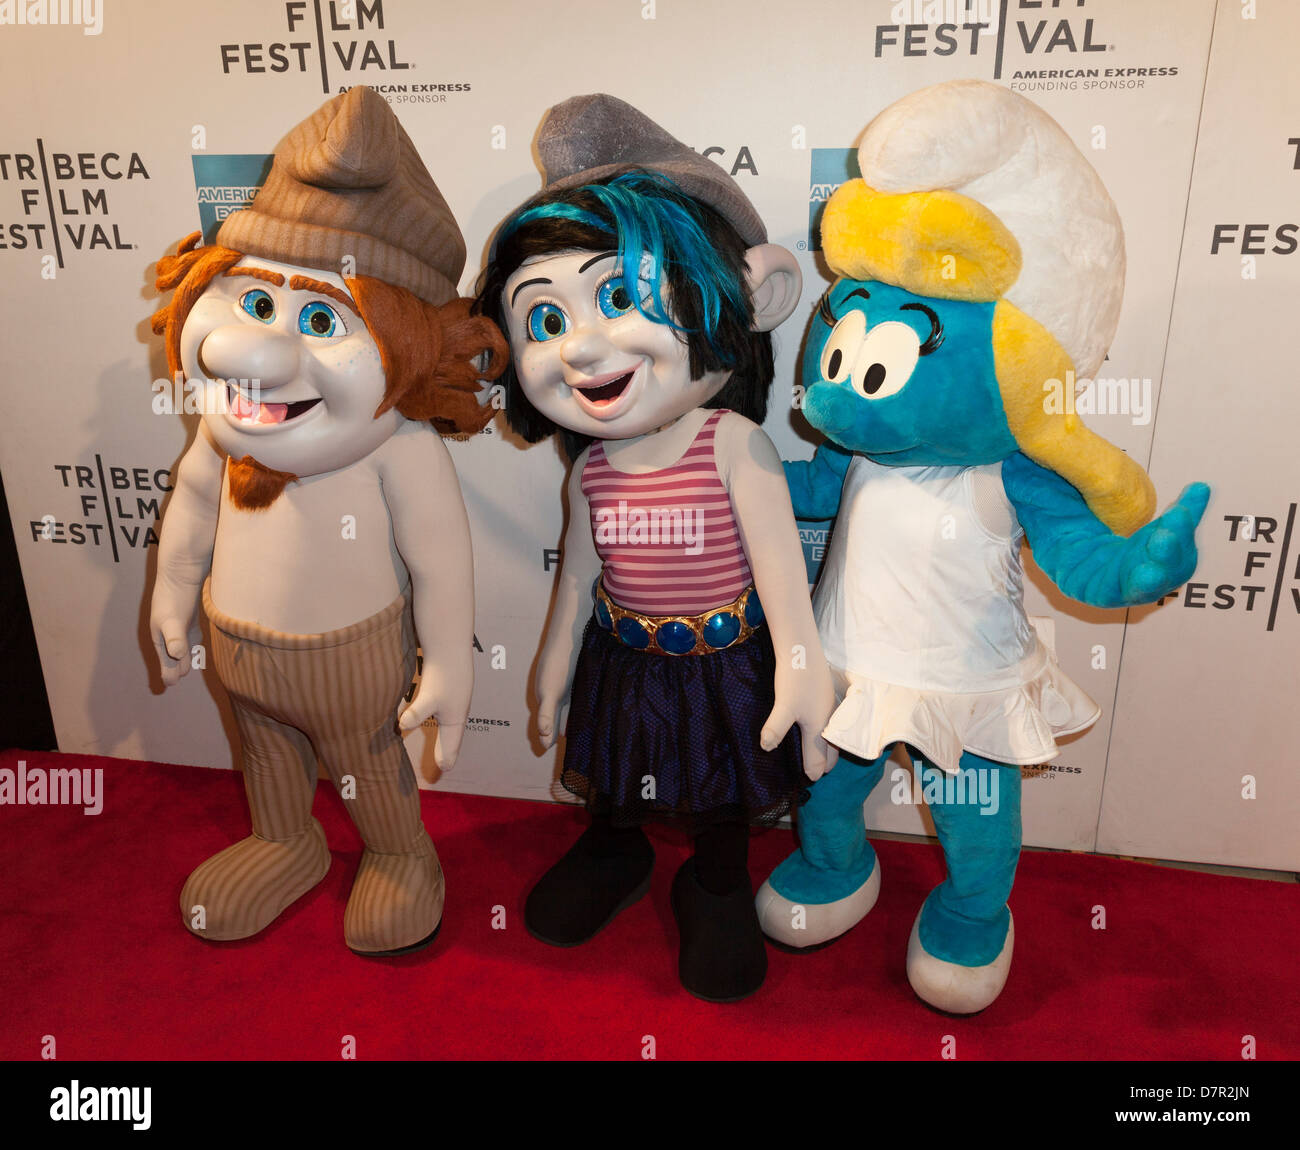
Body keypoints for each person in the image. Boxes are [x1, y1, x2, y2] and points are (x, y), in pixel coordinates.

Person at [476, 94, 835, 1002]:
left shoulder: (732, 445)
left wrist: (803, 670)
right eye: (545, 321)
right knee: (617, 775)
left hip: (725, 661)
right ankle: (614, 850)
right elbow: (578, 575)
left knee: (721, 794)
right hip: (624, 657)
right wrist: (554, 663)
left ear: (741, 296)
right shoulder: (591, 468)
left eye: (619, 297)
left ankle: (714, 883)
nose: (581, 349)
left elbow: (782, 577)